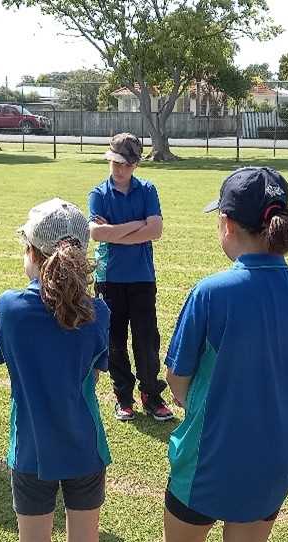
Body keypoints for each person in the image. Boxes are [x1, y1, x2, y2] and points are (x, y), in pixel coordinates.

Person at [161, 167, 288, 542]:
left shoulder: (212, 292)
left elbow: (178, 379)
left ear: (228, 225)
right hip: (271, 458)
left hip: (207, 458)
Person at [0, 199, 111, 542]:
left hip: (30, 450)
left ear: (32, 253)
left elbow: (10, 360)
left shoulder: (9, 308)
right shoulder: (99, 313)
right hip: (85, 448)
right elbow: (93, 374)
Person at [88, 133, 174, 422]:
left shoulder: (148, 190)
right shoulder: (98, 194)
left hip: (141, 278)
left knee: (146, 339)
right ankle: (123, 397)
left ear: (136, 164)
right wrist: (138, 225)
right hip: (109, 277)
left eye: (124, 163)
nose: (118, 169)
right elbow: (97, 233)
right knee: (115, 341)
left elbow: (157, 231)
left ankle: (151, 394)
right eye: (114, 162)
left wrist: (116, 231)